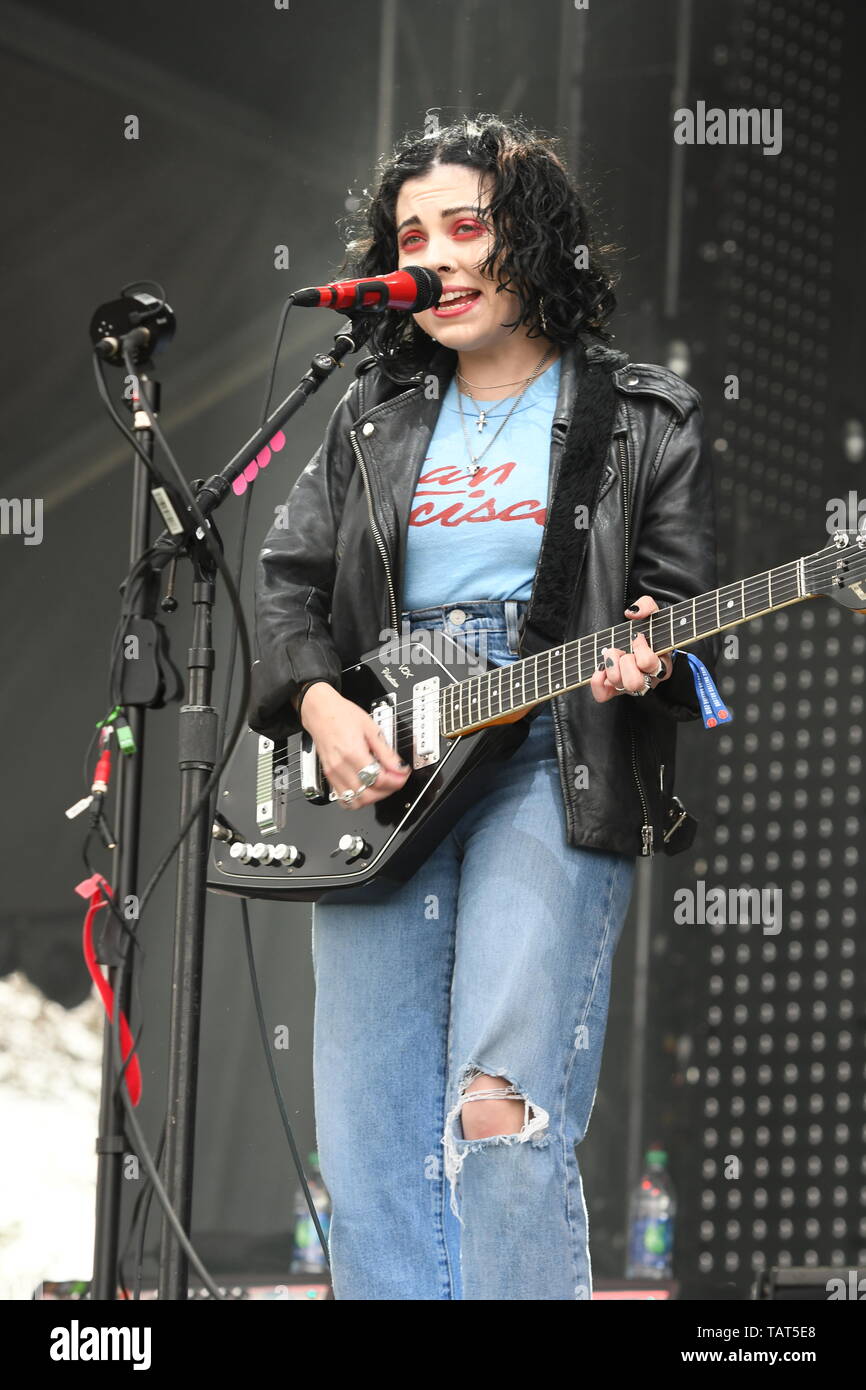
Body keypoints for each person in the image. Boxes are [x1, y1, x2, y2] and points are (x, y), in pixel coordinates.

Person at [250, 114, 720, 1300]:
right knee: (370, 1147)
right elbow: (287, 582)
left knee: (497, 1110)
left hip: (549, 744)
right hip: (386, 758)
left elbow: (680, 598)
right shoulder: (372, 415)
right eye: (412, 236)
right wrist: (316, 703)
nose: (437, 258)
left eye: (467, 228)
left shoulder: (639, 411)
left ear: (535, 244)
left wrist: (646, 657)